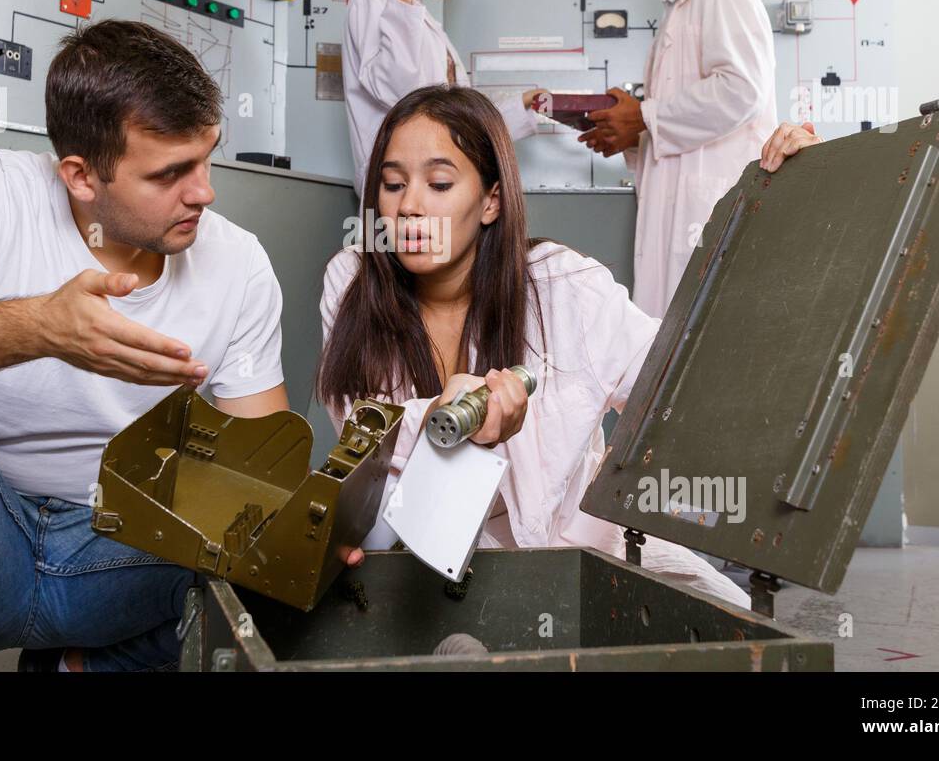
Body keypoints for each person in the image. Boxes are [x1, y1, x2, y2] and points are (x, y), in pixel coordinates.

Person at [0, 20, 319, 671]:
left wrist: (317, 529)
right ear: (80, 176)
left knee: (271, 543)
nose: (204, 192)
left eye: (207, 157)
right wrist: (40, 326)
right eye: (171, 173)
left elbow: (263, 491)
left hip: (122, 562)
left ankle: (84, 667)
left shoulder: (238, 263)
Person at [317, 85, 819, 607]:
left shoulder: (562, 286)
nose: (409, 207)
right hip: (420, 560)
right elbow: (367, 442)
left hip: (582, 547)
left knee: (734, 630)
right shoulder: (352, 284)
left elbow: (686, 389)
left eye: (439, 183)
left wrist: (789, 219)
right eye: (393, 184)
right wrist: (465, 429)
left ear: (491, 201)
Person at [579, 0, 781, 319]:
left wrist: (645, 118)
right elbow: (689, 122)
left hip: (706, 215)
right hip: (677, 218)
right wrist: (632, 134)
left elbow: (741, 90)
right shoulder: (687, 1)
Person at [343, 0, 545, 198]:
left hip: (437, 183)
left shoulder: (424, 19)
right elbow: (399, 92)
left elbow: (459, 119)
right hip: (399, 188)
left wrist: (523, 104)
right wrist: (399, 0)